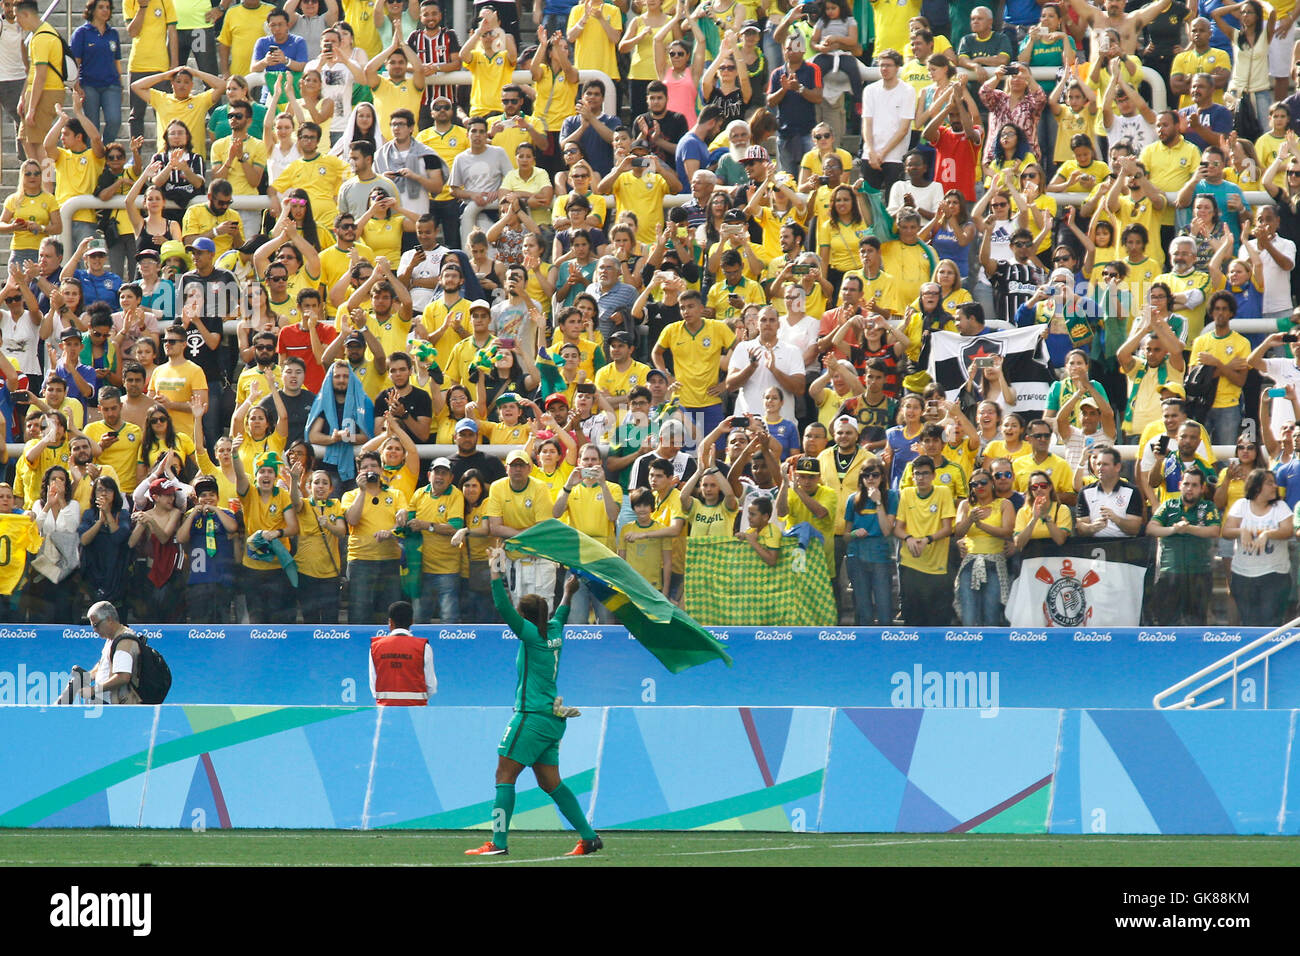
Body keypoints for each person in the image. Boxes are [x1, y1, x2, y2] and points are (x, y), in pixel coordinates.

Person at [465, 559, 601, 858]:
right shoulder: (554, 630)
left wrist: (496, 572)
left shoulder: (532, 635)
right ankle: (589, 838)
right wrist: (568, 589)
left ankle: (498, 843)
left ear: (525, 618)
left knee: (504, 775)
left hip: (531, 716)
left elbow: (503, 607)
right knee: (550, 782)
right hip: (552, 719)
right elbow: (563, 610)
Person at [1147, 468, 1222, 625]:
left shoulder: (1208, 507)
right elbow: (1151, 528)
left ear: (1202, 488)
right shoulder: (1169, 505)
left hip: (1199, 573)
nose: (1189, 488)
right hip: (1170, 574)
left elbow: (1214, 530)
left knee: (1197, 625)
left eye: (1194, 485)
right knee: (1166, 625)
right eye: (1186, 484)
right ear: (1180, 485)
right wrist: (1174, 529)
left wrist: (1188, 528)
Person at [1222, 468, 1293, 626]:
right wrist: (1242, 530)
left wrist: (1267, 534)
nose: (1275, 486)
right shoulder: (1241, 505)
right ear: (1256, 486)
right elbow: (1226, 531)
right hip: (1243, 575)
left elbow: (1288, 531)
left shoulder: (1280, 507)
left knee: (1271, 622)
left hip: (1274, 575)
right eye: (1269, 483)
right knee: (1250, 622)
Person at [368, 600, 437, 705]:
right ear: (412, 621)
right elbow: (431, 685)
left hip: (385, 710)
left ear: (390, 622)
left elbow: (374, 686)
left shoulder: (375, 647)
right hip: (417, 711)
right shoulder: (424, 647)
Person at [74, 601, 142, 704]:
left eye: (96, 625)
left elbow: (123, 677)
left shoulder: (124, 641)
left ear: (109, 619)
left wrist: (93, 690)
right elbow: (104, 664)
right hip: (106, 703)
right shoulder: (112, 638)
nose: (94, 630)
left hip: (115, 706)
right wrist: (89, 676)